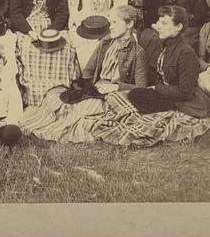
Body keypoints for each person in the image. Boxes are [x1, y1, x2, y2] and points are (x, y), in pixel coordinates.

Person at [20, 7, 147, 143]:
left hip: (113, 95)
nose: (111, 27)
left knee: (83, 113)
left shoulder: (137, 52)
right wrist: (86, 88)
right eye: (110, 22)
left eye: (115, 22)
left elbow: (142, 87)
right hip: (96, 89)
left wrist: (115, 87)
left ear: (129, 24)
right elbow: (89, 71)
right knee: (56, 99)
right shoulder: (106, 42)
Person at [10, 0, 77, 106]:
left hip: (52, 25)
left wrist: (52, 30)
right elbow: (15, 12)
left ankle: (60, 97)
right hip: (28, 27)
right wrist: (30, 32)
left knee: (65, 49)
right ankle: (35, 100)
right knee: (29, 50)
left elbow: (63, 11)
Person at [128, 5, 210, 119]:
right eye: (159, 22)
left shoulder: (185, 52)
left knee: (135, 96)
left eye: (164, 23)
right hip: (167, 94)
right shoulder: (166, 46)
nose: (158, 27)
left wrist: (157, 88)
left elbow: (185, 92)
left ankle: (169, 112)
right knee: (135, 94)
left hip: (182, 101)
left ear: (178, 27)